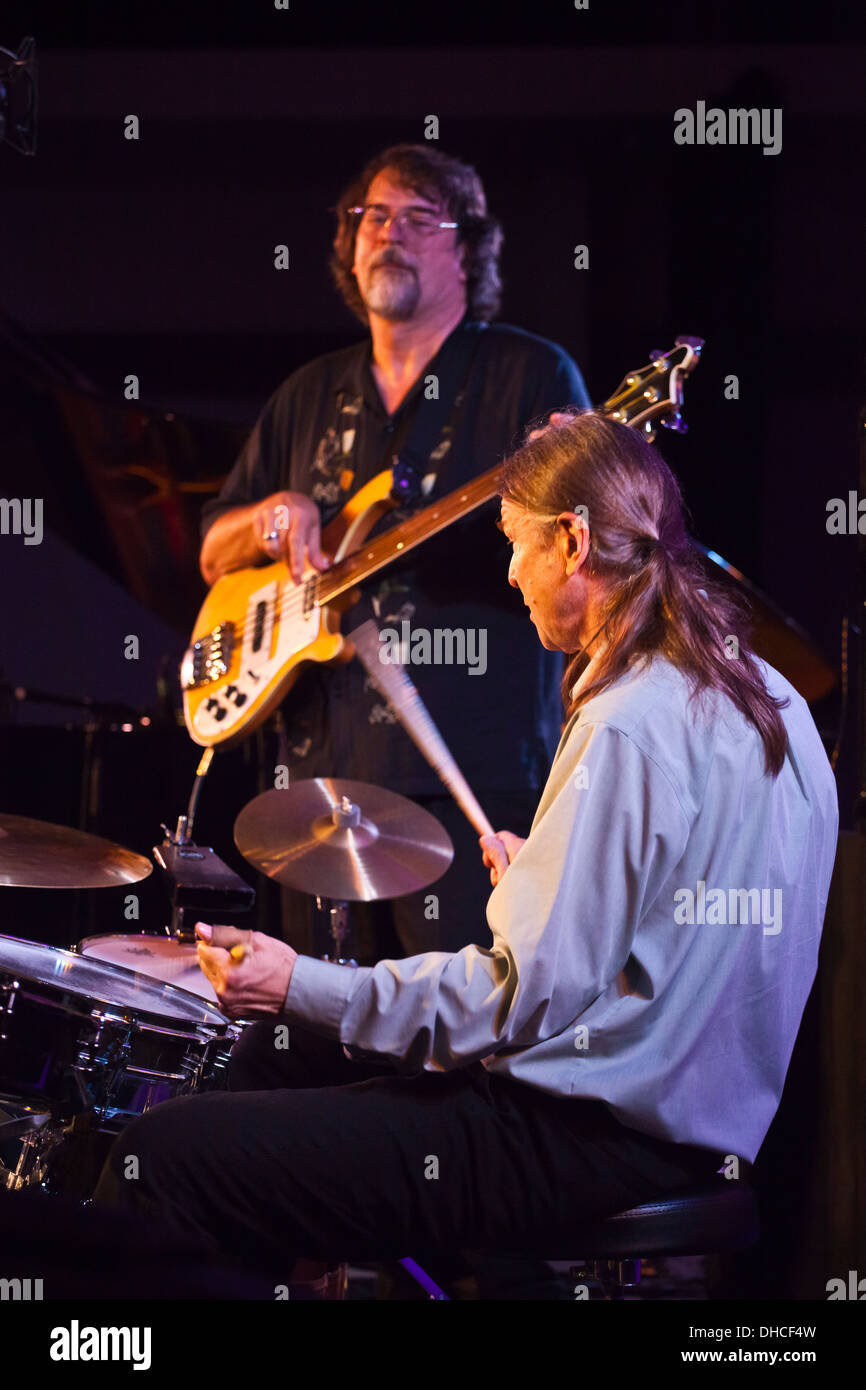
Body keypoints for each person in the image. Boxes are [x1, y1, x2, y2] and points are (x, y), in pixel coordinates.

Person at [94, 411, 838, 1299]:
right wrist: (557, 878)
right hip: (686, 1122)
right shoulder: (772, 693)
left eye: (519, 545)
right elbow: (686, 934)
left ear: (573, 541)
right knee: (277, 1058)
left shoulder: (625, 720)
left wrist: (300, 982)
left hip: (584, 1134)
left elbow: (512, 1000)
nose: (513, 574)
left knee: (163, 1157)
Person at [198, 142, 590, 962]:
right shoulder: (308, 392)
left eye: (420, 219)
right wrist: (274, 515)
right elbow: (212, 552)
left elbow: (586, 550)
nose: (389, 234)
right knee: (317, 1032)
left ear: (468, 248)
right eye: (373, 217)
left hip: (470, 778)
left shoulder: (529, 372)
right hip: (315, 778)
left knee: (452, 1036)